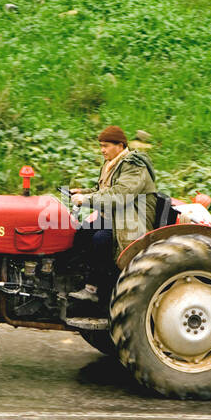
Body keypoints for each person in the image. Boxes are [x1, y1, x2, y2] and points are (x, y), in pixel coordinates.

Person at [68, 125, 158, 302]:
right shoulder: (112, 163)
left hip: (130, 221)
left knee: (100, 239)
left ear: (121, 145)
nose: (102, 150)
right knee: (80, 234)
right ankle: (73, 281)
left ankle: (94, 289)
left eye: (106, 146)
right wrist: (83, 192)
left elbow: (120, 194)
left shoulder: (133, 166)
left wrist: (86, 200)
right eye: (101, 146)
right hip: (114, 217)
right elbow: (102, 189)